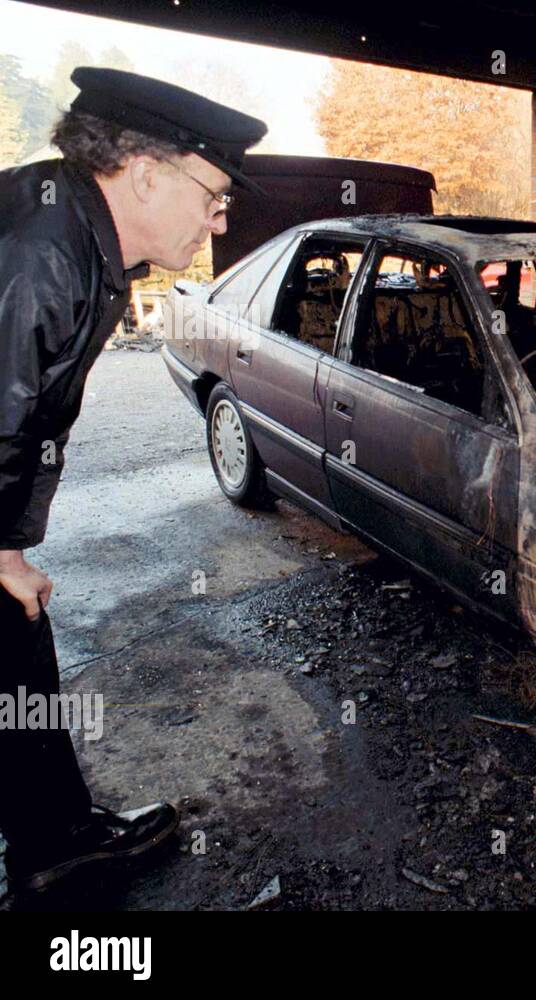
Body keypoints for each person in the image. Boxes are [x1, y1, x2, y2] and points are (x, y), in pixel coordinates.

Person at [0, 67, 267, 894]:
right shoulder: (45, 252)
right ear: (145, 172)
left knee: (16, 647)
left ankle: (56, 840)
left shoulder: (74, 232)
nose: (221, 216)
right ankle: (55, 845)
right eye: (213, 193)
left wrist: (6, 548)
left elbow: (26, 418)